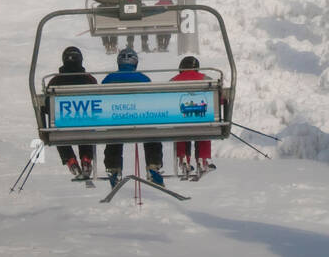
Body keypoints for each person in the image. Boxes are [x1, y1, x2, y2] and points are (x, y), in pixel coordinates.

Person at [100, 48, 165, 186]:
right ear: (135, 63)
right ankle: (153, 165)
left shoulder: (109, 79)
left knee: (113, 135)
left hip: (115, 121)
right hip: (140, 122)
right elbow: (151, 102)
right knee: (151, 133)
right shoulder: (144, 79)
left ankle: (113, 168)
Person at [48, 46, 97, 180]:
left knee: (57, 131)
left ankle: (70, 159)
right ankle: (86, 158)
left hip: (63, 124)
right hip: (85, 123)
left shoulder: (55, 81)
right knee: (86, 124)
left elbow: (47, 106)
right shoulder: (89, 79)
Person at [170, 55, 215, 179]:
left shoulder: (173, 81)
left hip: (181, 121)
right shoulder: (207, 79)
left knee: (180, 127)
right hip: (202, 121)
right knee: (204, 125)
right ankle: (203, 159)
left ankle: (184, 158)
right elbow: (219, 100)